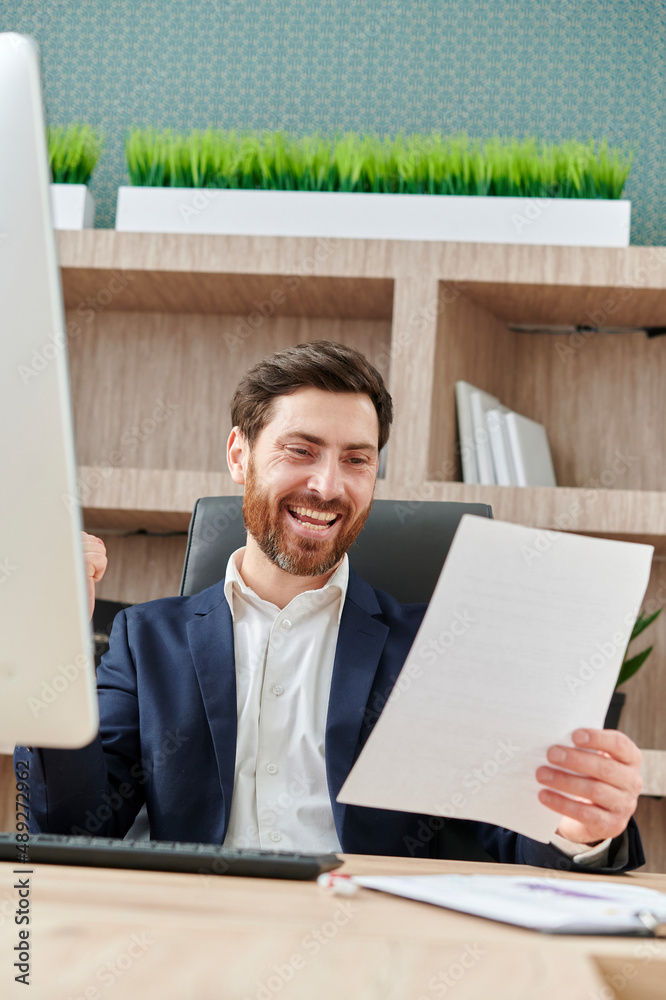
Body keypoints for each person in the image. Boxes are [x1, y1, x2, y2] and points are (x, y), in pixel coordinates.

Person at [17, 341, 644, 870]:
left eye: (356, 460)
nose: (327, 485)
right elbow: (71, 827)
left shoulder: (431, 645)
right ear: (239, 454)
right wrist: (51, 651)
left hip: (373, 951)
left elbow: (518, 839)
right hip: (199, 938)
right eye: (300, 449)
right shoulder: (144, 639)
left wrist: (583, 827)